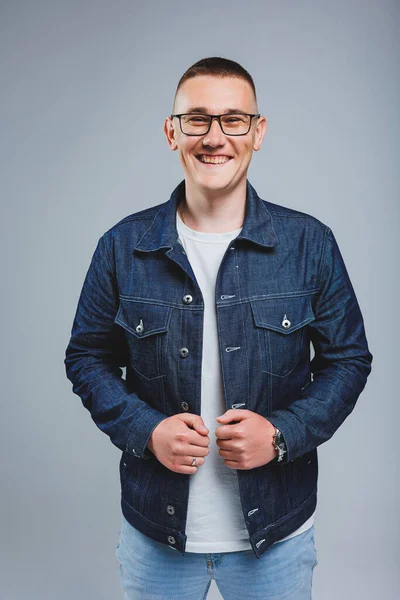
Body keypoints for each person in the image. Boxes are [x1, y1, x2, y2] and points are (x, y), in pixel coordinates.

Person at [64, 56, 373, 599]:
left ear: (258, 133)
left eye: (233, 120)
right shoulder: (120, 247)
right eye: (197, 119)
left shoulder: (309, 244)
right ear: (172, 132)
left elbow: (348, 361)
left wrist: (281, 436)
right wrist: (146, 430)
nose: (214, 137)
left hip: (277, 536)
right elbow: (86, 358)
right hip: (155, 535)